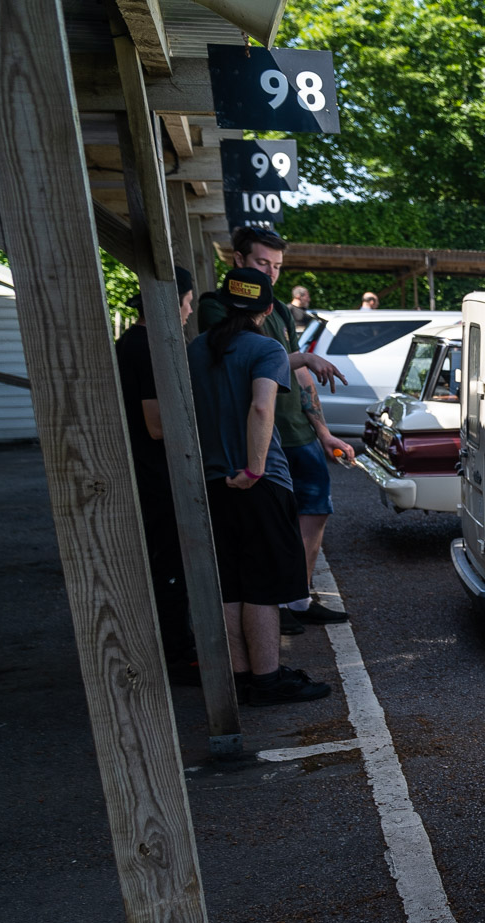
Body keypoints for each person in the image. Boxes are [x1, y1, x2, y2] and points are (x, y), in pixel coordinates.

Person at [198, 226, 355, 631]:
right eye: (261, 263)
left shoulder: (280, 310)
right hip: (259, 436)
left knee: (315, 511)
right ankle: (275, 603)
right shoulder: (217, 306)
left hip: (298, 432)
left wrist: (323, 431)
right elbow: (241, 366)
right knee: (269, 526)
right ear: (238, 260)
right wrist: (300, 357)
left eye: (277, 266)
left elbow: (303, 374)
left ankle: (298, 598)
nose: (270, 273)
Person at [186, 269, 331, 706]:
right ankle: (268, 679)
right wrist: (252, 468)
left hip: (210, 483)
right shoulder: (266, 347)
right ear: (268, 309)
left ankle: (243, 676)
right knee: (263, 586)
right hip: (258, 483)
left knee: (230, 584)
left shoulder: (196, 349)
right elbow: (262, 405)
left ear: (224, 304)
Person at [114, 267, 200, 685]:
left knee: (166, 564)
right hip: (154, 476)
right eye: (186, 302)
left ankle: (175, 648)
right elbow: (157, 425)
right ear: (171, 302)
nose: (188, 312)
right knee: (169, 566)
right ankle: (178, 657)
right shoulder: (146, 347)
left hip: (147, 473)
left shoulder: (135, 341)